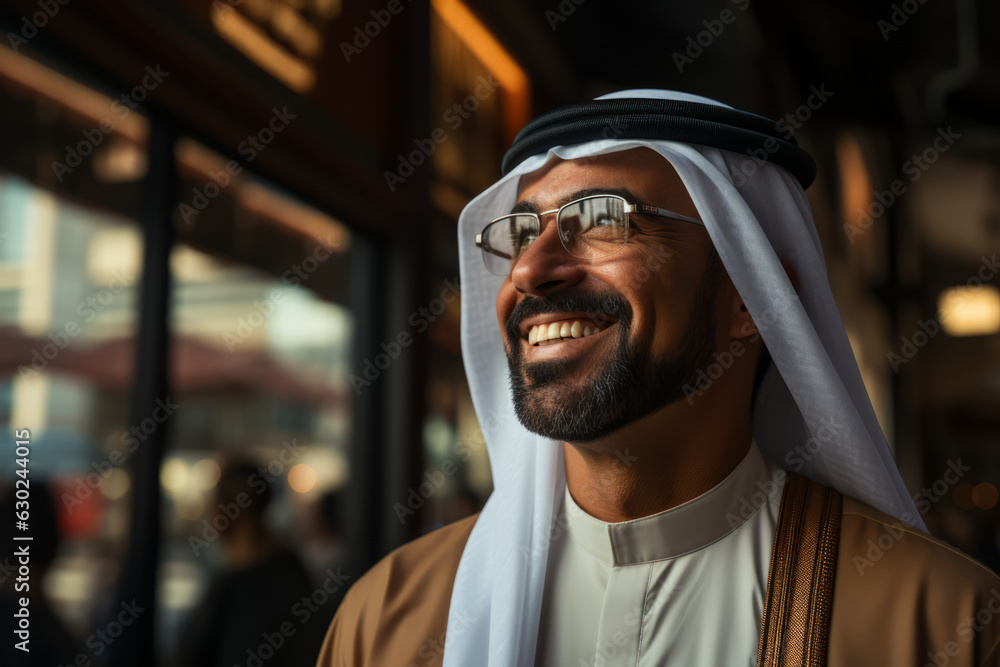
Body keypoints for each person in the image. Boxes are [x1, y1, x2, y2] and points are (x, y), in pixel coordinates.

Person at [316, 90, 1000, 666]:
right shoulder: (386, 623)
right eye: (522, 232)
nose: (529, 270)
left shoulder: (938, 621)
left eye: (603, 220)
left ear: (749, 297)